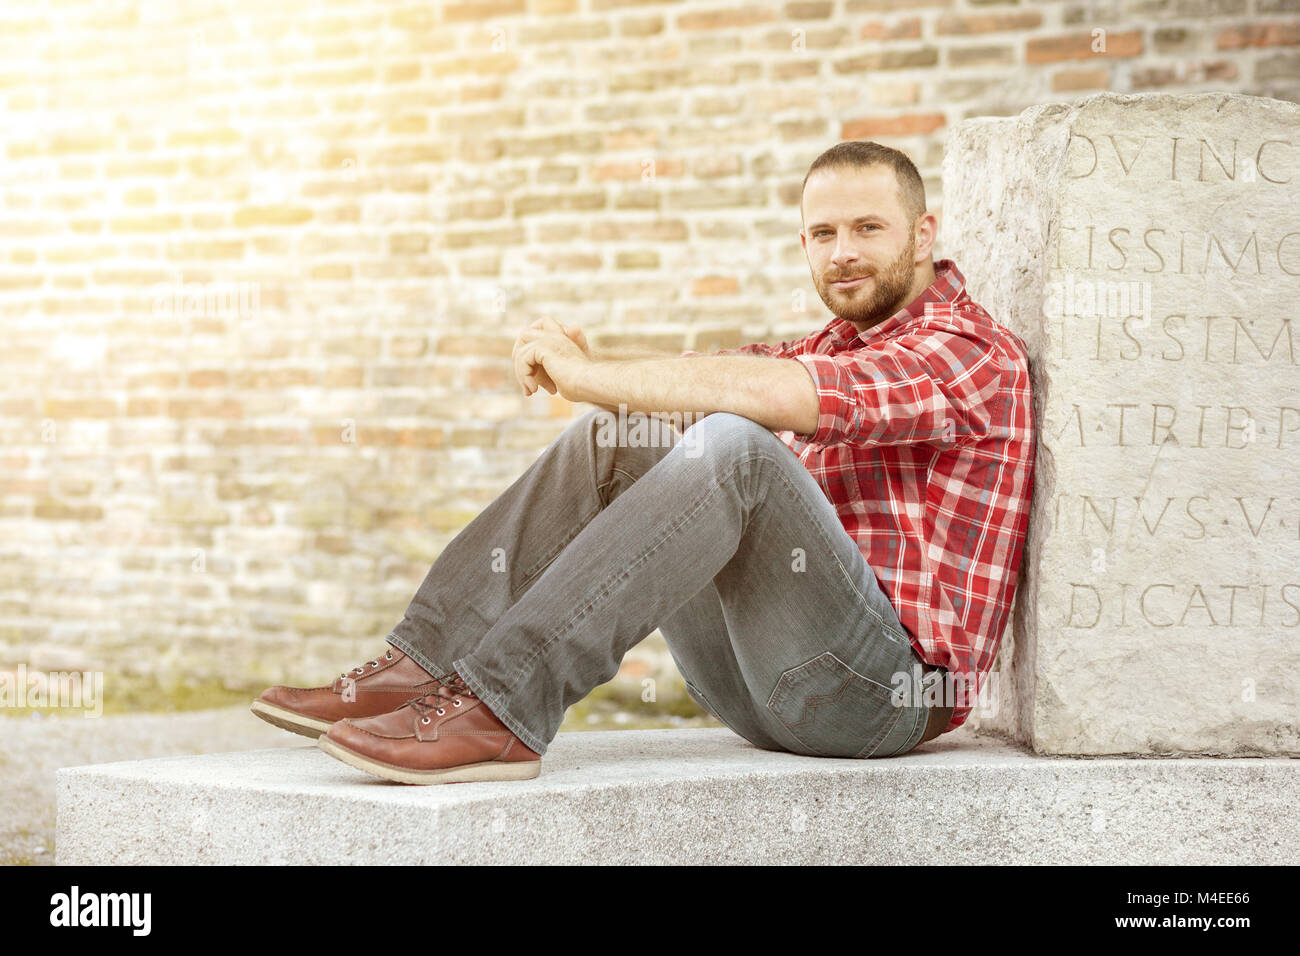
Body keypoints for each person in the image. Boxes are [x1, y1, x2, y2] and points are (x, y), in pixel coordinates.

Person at [250, 140, 1036, 785]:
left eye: (869, 228)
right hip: (758, 685)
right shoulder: (835, 342)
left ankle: (501, 712)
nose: (843, 253)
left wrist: (589, 379)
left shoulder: (968, 352)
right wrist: (596, 372)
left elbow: (779, 394)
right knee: (620, 435)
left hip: (877, 701)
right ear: (802, 243)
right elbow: (711, 378)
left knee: (737, 448)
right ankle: (420, 664)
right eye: (823, 234)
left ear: (924, 234)